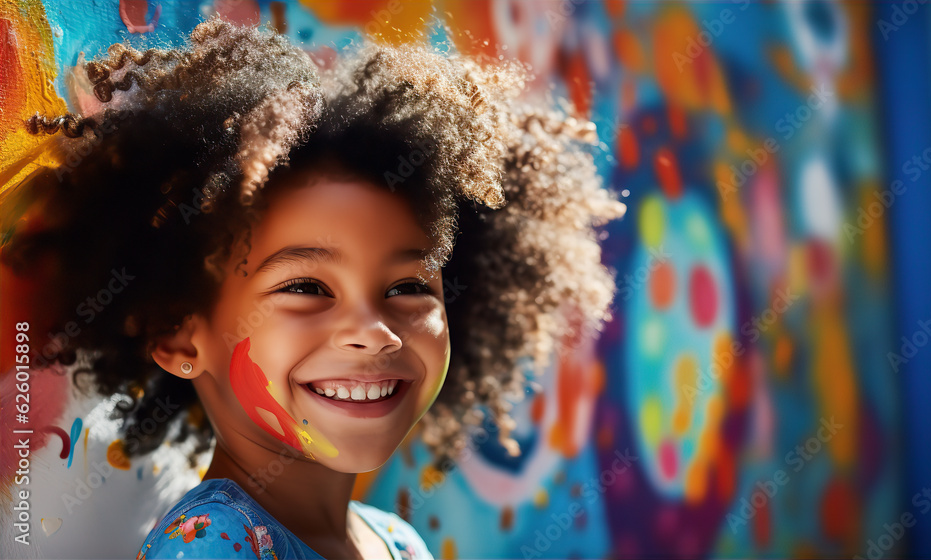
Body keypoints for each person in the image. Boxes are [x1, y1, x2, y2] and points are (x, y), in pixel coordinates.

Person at [6, 16, 625, 559]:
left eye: (409, 285)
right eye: (305, 286)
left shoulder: (397, 542)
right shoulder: (212, 545)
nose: (373, 332)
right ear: (178, 332)